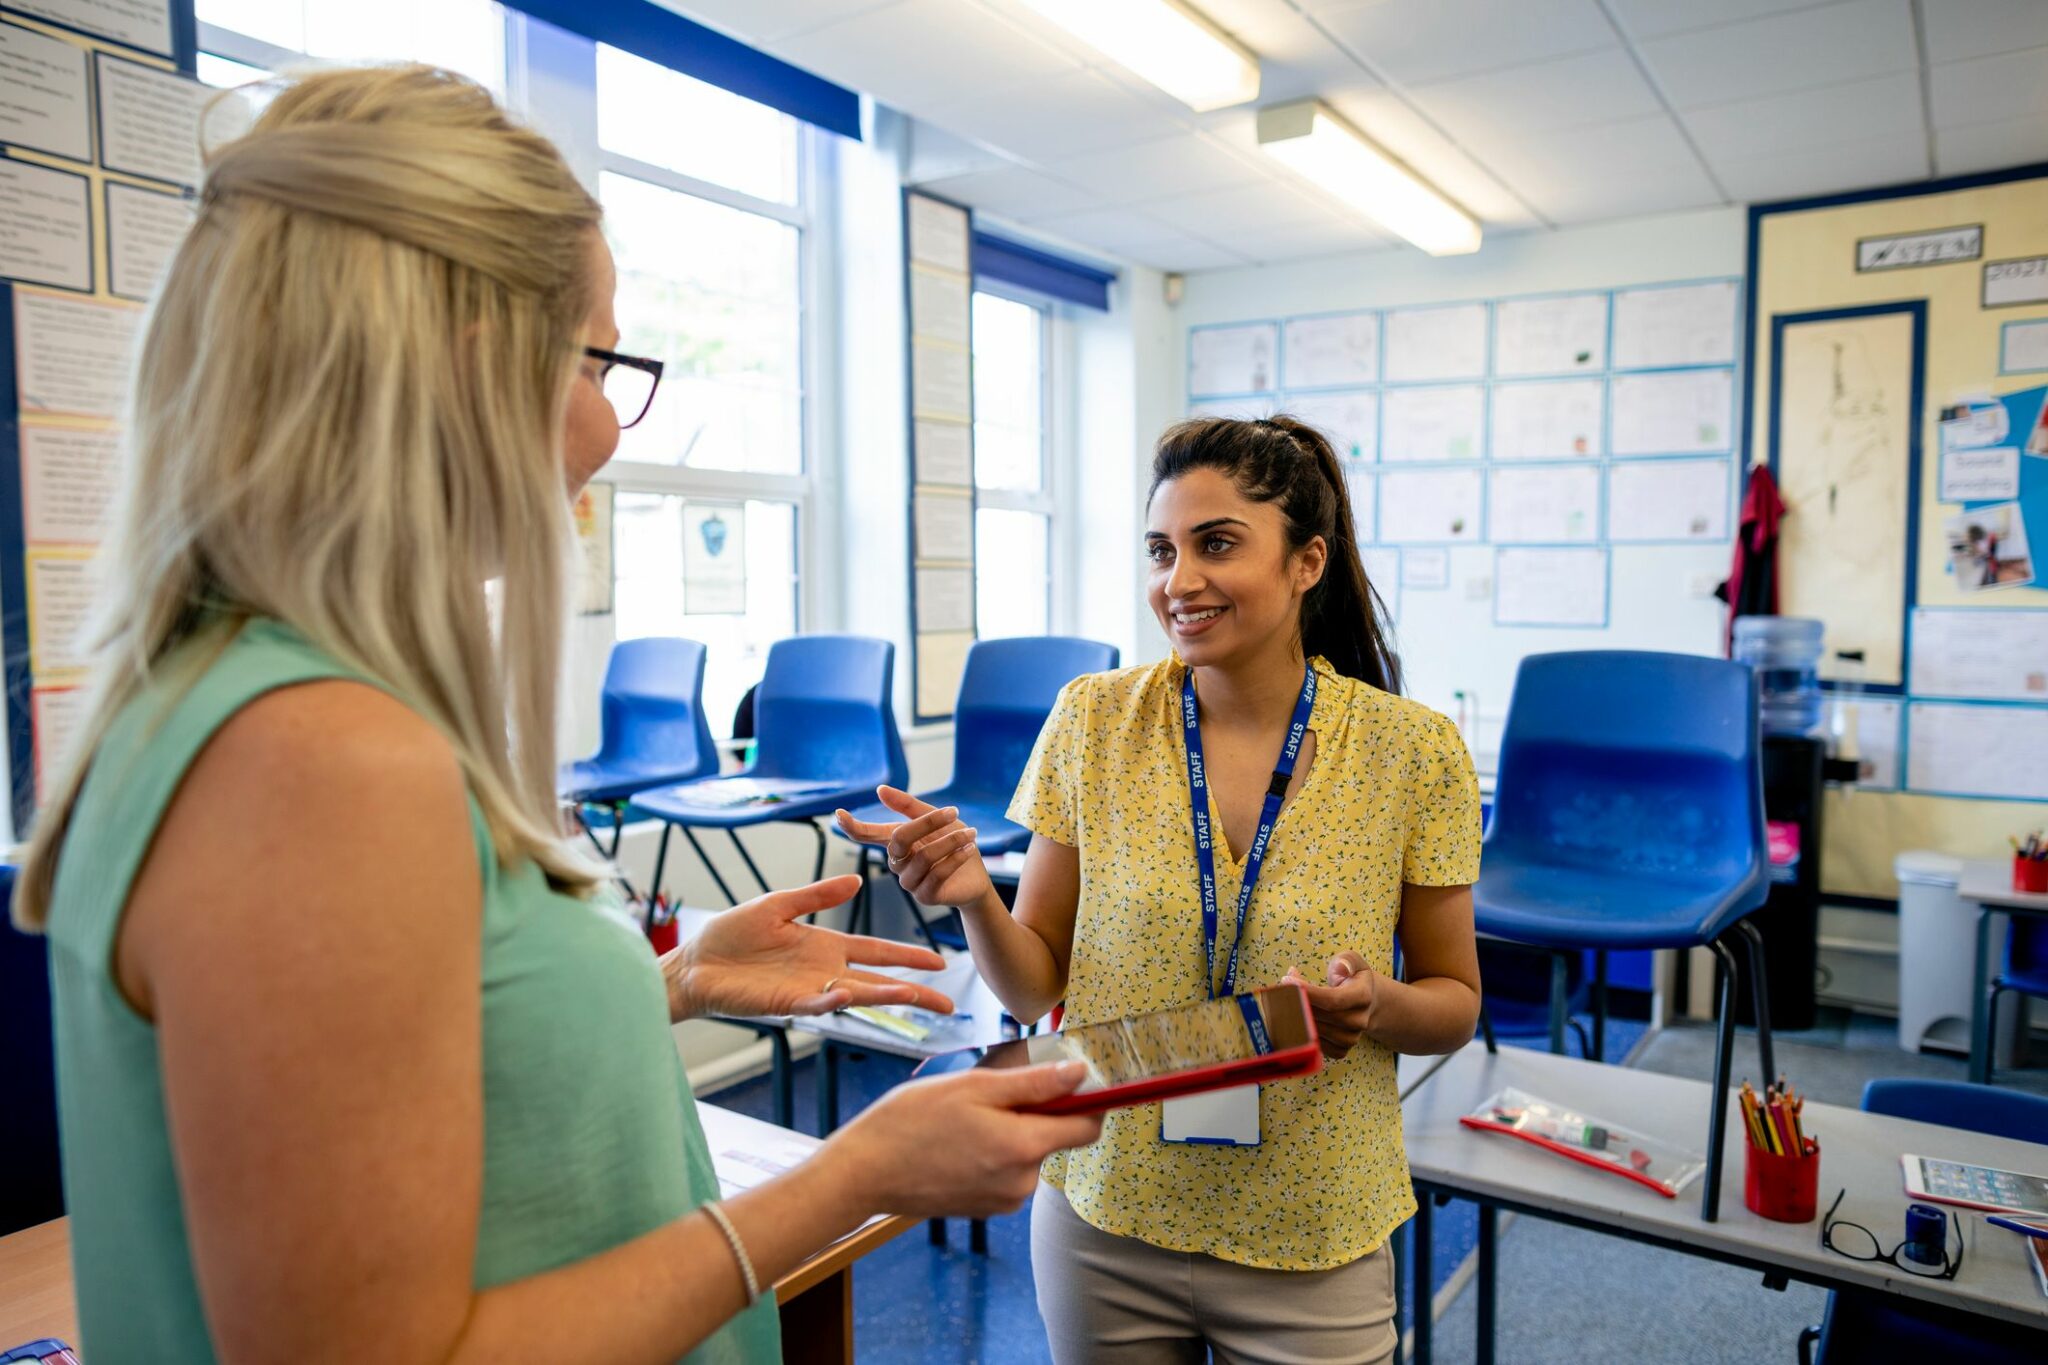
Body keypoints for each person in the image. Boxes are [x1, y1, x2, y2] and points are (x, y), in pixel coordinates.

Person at [13, 66, 1099, 1365]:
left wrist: (671, 981)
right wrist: (854, 1174)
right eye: (601, 360)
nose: (607, 425)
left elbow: (403, 1085)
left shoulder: (233, 702)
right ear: (475, 364)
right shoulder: (317, 760)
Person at [840, 414, 1484, 1364]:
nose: (1178, 581)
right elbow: (1033, 984)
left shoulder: (1411, 750)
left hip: (1312, 1224)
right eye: (1160, 549)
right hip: (1107, 1210)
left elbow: (1455, 1000)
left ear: (1306, 563)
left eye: (1216, 544)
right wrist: (975, 896)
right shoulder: (1094, 719)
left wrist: (1377, 1003)